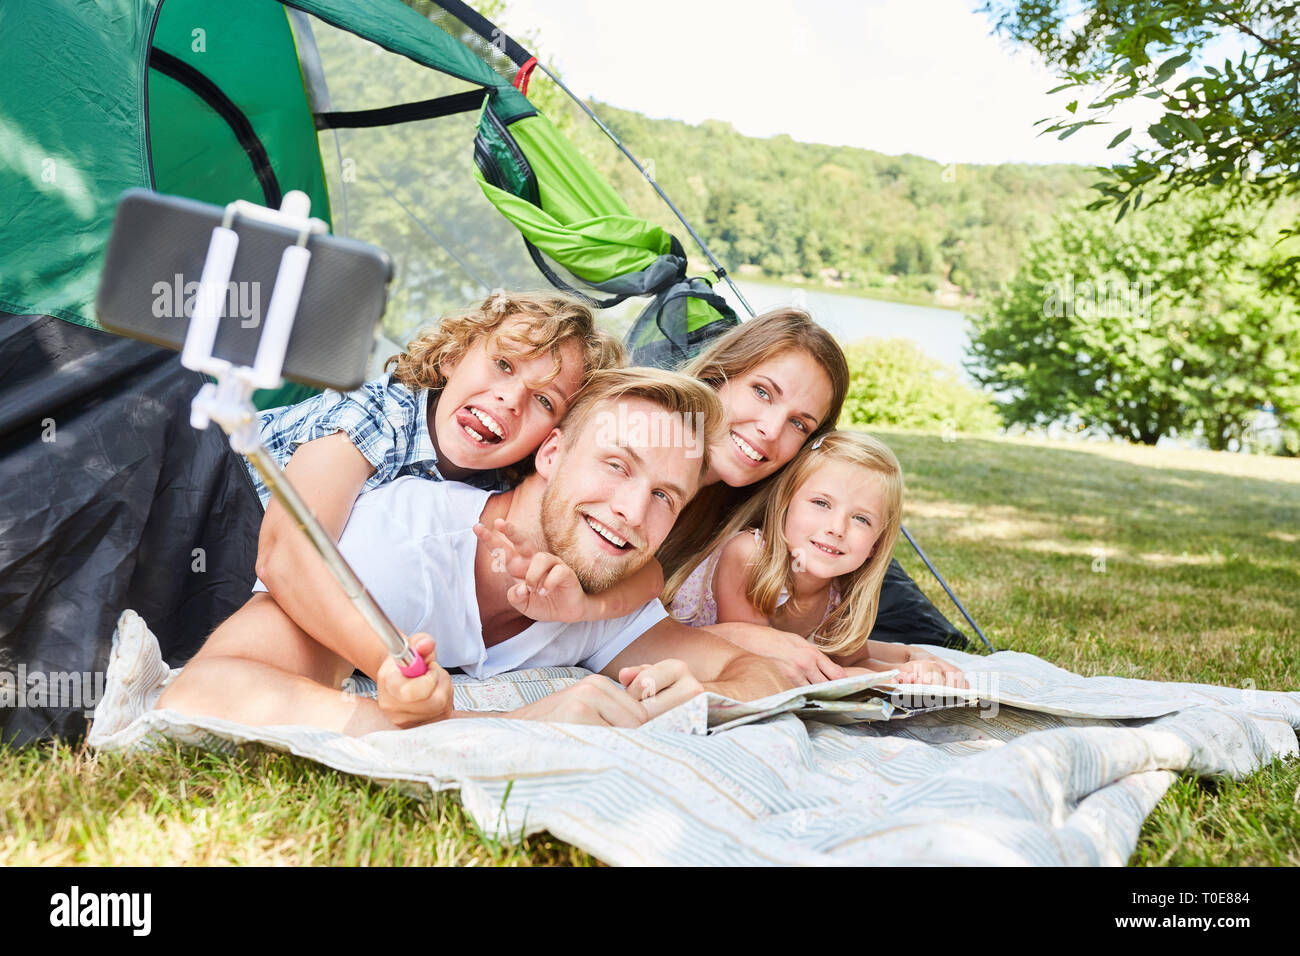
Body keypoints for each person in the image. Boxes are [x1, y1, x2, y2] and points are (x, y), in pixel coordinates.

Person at [155, 367, 795, 733]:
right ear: (551, 453)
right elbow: (205, 691)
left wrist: (698, 696)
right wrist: (504, 731)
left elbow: (759, 677)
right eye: (616, 466)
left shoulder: (602, 596)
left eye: (665, 497)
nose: (632, 512)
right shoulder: (404, 547)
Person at [253, 291, 665, 675]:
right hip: (212, 495)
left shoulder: (500, 482)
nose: (511, 399)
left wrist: (584, 609)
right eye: (504, 365)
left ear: (554, 441)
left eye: (544, 401)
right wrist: (402, 669)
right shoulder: (375, 415)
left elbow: (651, 578)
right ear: (453, 357)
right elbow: (283, 556)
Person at [665, 431, 966, 687]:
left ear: (876, 544)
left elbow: (855, 658)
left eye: (861, 519)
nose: (837, 528)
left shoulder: (840, 587)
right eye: (821, 503)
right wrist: (889, 674)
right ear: (786, 505)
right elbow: (760, 660)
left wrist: (913, 665)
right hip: (670, 652)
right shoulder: (749, 555)